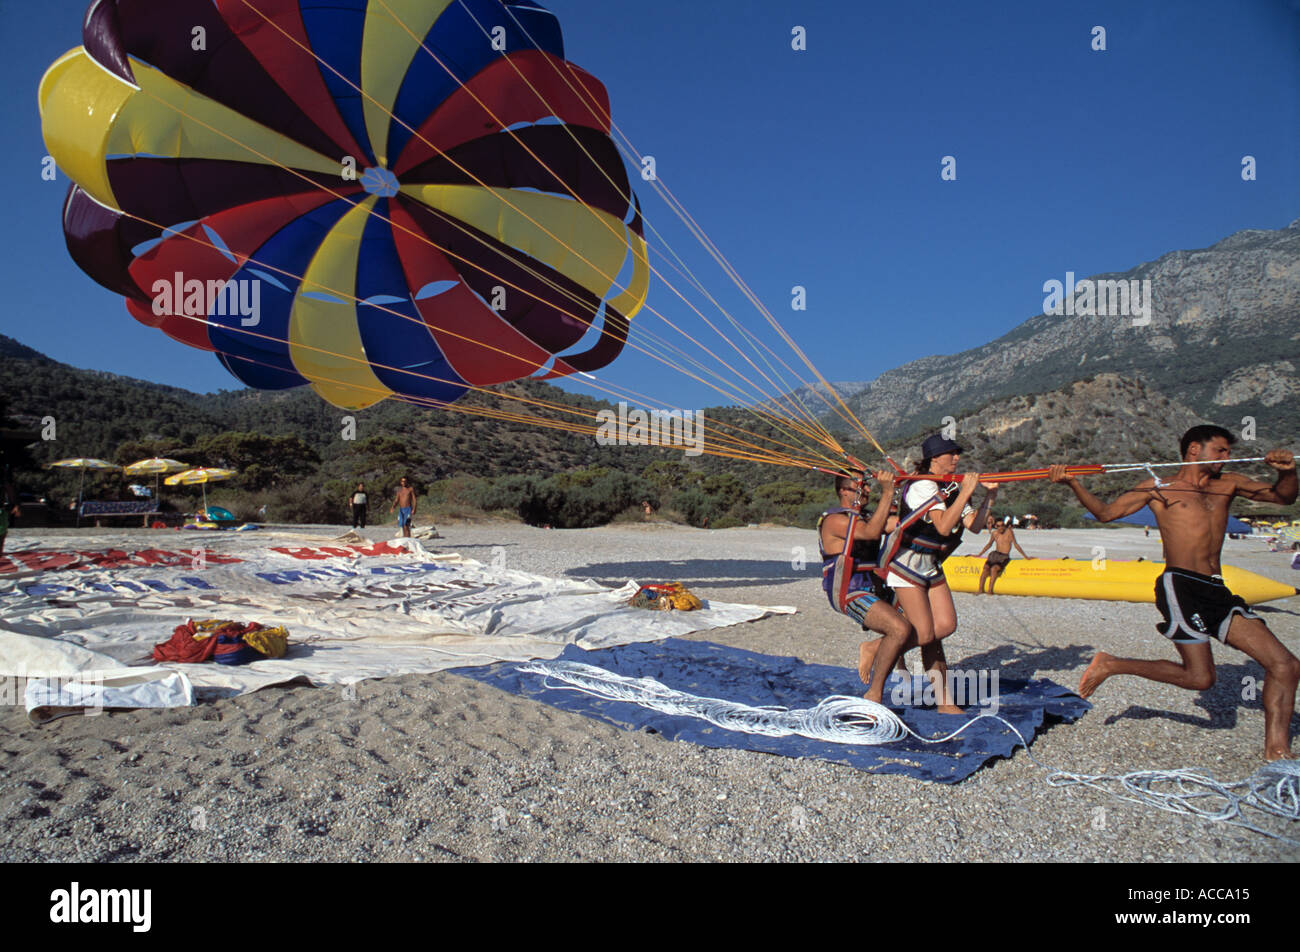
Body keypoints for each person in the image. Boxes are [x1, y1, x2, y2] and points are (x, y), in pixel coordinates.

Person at [1049, 424, 1299, 761]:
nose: (1227, 458)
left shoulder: (1230, 484)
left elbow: (1283, 497)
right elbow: (1105, 514)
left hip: (1218, 589)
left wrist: (1288, 472)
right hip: (1180, 585)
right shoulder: (1159, 488)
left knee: (1284, 665)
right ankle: (1111, 664)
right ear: (1194, 450)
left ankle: (1277, 752)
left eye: (1228, 452)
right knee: (1201, 679)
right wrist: (1073, 483)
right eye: (1220, 451)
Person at [877, 434, 999, 712]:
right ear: (935, 458)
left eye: (957, 453)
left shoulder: (952, 487)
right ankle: (880, 651)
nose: (956, 458)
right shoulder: (922, 486)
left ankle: (884, 648)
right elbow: (943, 526)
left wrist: (989, 496)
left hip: (931, 564)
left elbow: (974, 525)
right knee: (927, 631)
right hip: (907, 563)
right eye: (951, 453)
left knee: (944, 626)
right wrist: (967, 491)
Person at [816, 470, 914, 704]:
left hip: (875, 586)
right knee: (900, 630)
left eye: (868, 486)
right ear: (843, 491)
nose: (868, 490)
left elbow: (902, 524)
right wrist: (888, 491)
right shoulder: (835, 520)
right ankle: (874, 692)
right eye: (861, 487)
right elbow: (870, 533)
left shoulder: (868, 516)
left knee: (927, 625)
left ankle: (879, 648)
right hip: (848, 590)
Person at [975, 515, 1031, 594]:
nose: (1000, 528)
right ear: (995, 526)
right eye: (998, 526)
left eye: (1002, 525)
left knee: (994, 569)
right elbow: (989, 544)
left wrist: (1026, 557)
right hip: (994, 554)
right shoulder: (994, 533)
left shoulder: (1009, 532)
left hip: (1004, 556)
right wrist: (979, 554)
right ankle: (980, 589)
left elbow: (1016, 545)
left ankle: (990, 590)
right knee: (985, 569)